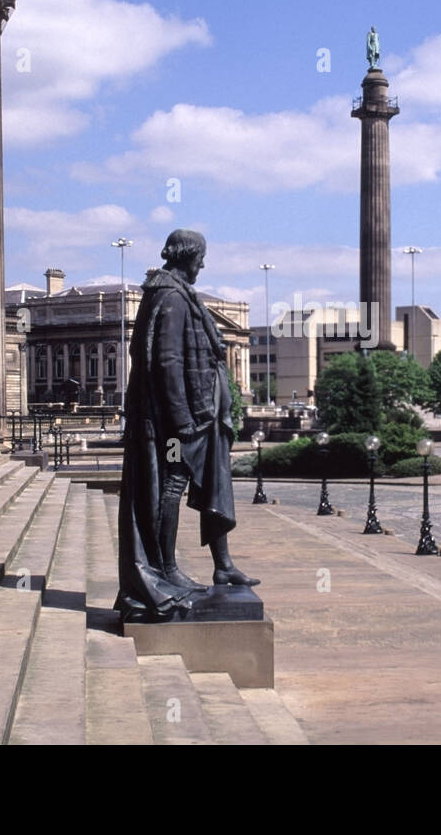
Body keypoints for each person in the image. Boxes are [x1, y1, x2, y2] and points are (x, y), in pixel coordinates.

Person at [115, 229, 258, 623]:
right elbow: (167, 362)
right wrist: (181, 421)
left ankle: (220, 564)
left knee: (206, 482)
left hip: (200, 417)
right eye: (201, 257)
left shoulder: (176, 293)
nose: (203, 264)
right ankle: (165, 570)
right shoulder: (172, 297)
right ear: (186, 256)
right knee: (170, 488)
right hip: (180, 422)